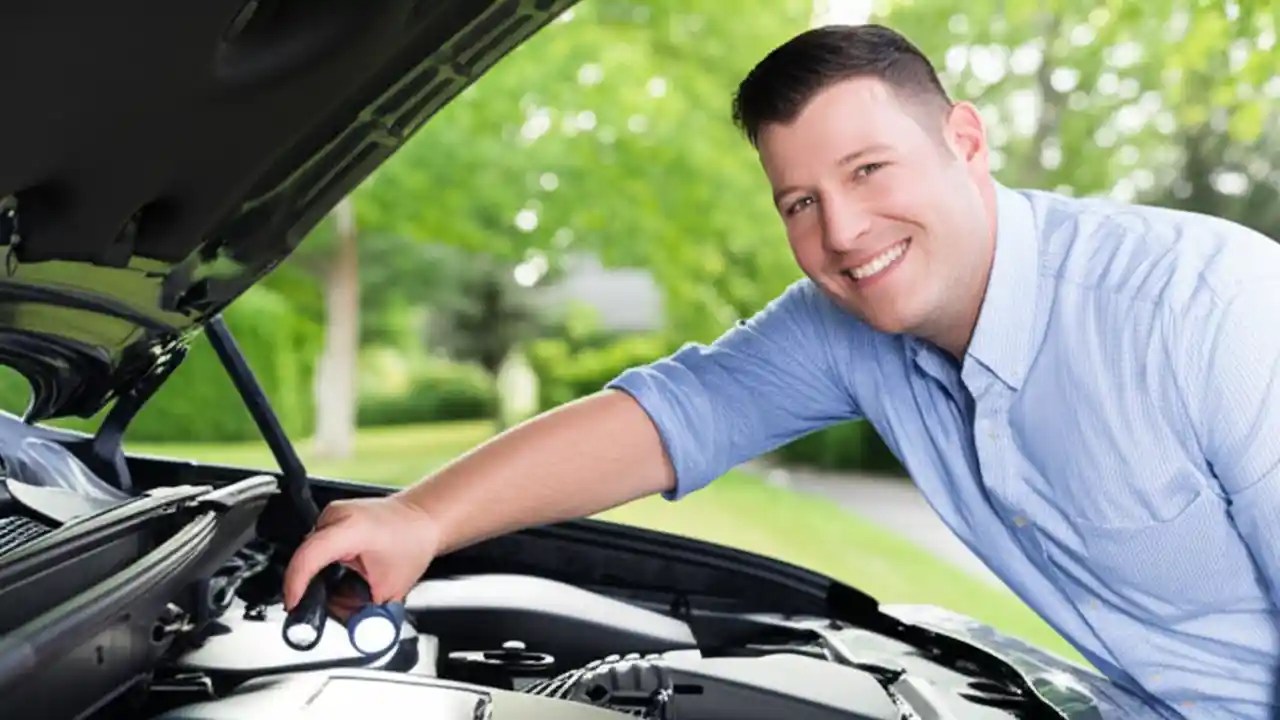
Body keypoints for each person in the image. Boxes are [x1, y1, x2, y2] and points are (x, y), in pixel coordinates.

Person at [283, 23, 1280, 719]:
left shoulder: (1209, 314)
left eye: (867, 170)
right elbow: (678, 412)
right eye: (797, 201)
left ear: (963, 142)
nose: (841, 232)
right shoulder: (846, 325)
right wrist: (416, 520)